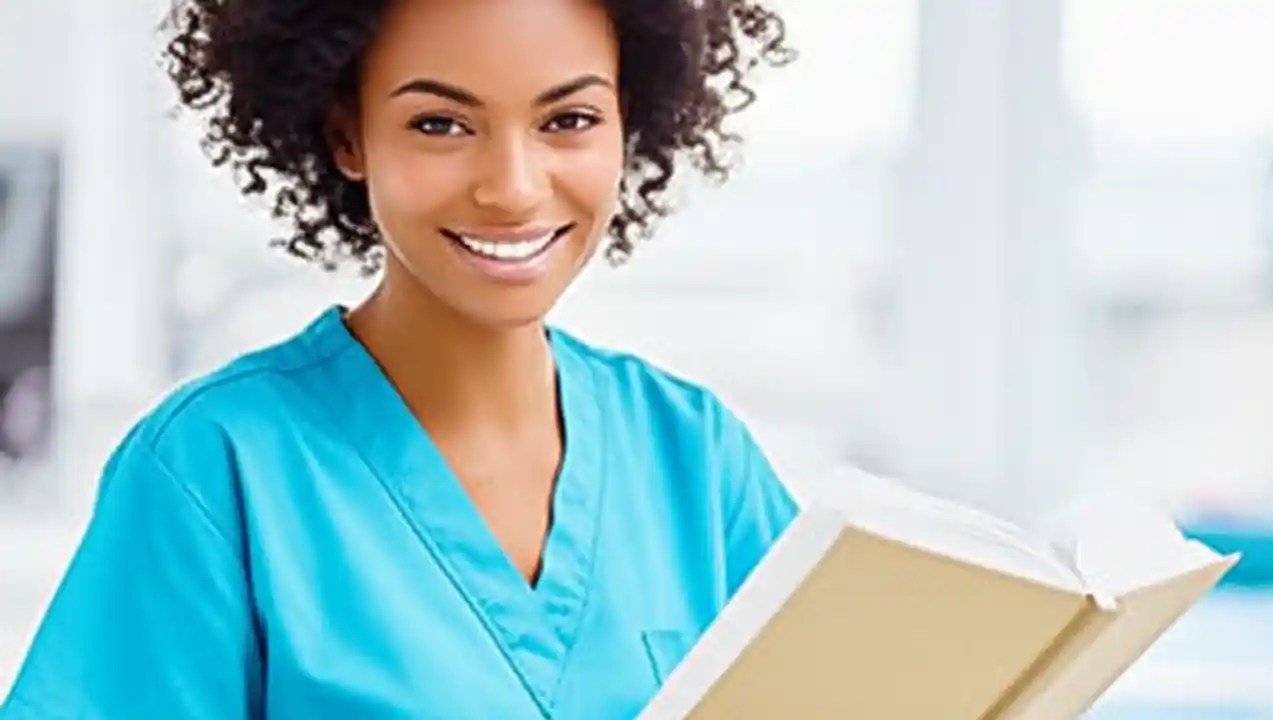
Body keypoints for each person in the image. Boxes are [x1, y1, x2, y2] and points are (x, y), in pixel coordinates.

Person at [0, 0, 797, 717]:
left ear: (630, 119)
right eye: (441, 124)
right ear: (348, 134)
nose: (514, 188)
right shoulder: (215, 469)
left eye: (569, 120)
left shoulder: (697, 458)